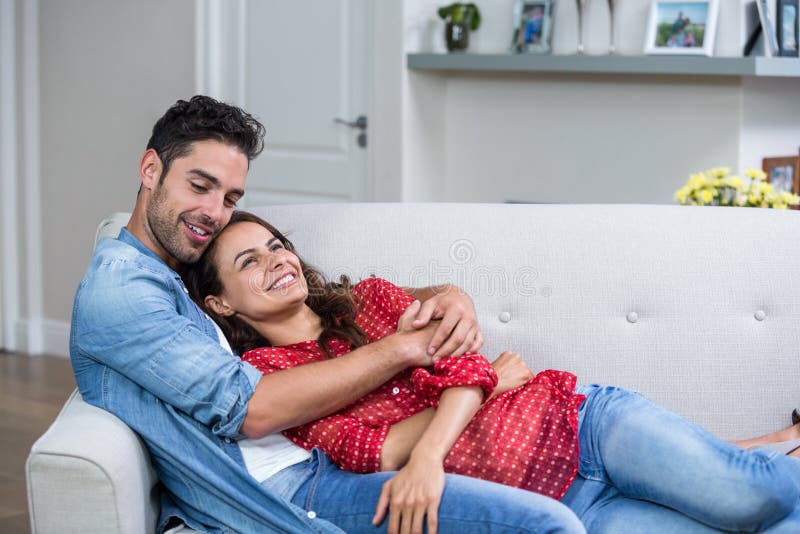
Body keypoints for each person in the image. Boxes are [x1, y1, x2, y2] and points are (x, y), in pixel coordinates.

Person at [70, 95, 586, 533]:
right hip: (289, 489)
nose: (213, 212)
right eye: (199, 186)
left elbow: (329, 298)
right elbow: (251, 411)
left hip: (321, 461)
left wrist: (446, 292)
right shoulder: (123, 291)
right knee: (550, 524)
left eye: (230, 197)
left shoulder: (178, 261)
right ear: (150, 169)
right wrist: (403, 347)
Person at [187, 209, 800, 534]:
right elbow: (370, 450)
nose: (276, 261)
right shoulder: (265, 376)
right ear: (220, 303)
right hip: (562, 502)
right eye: (249, 261)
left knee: (760, 497)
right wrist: (482, 387)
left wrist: (429, 453)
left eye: (275, 245)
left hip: (579, 425)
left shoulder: (369, 298)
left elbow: (465, 365)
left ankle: (777, 458)